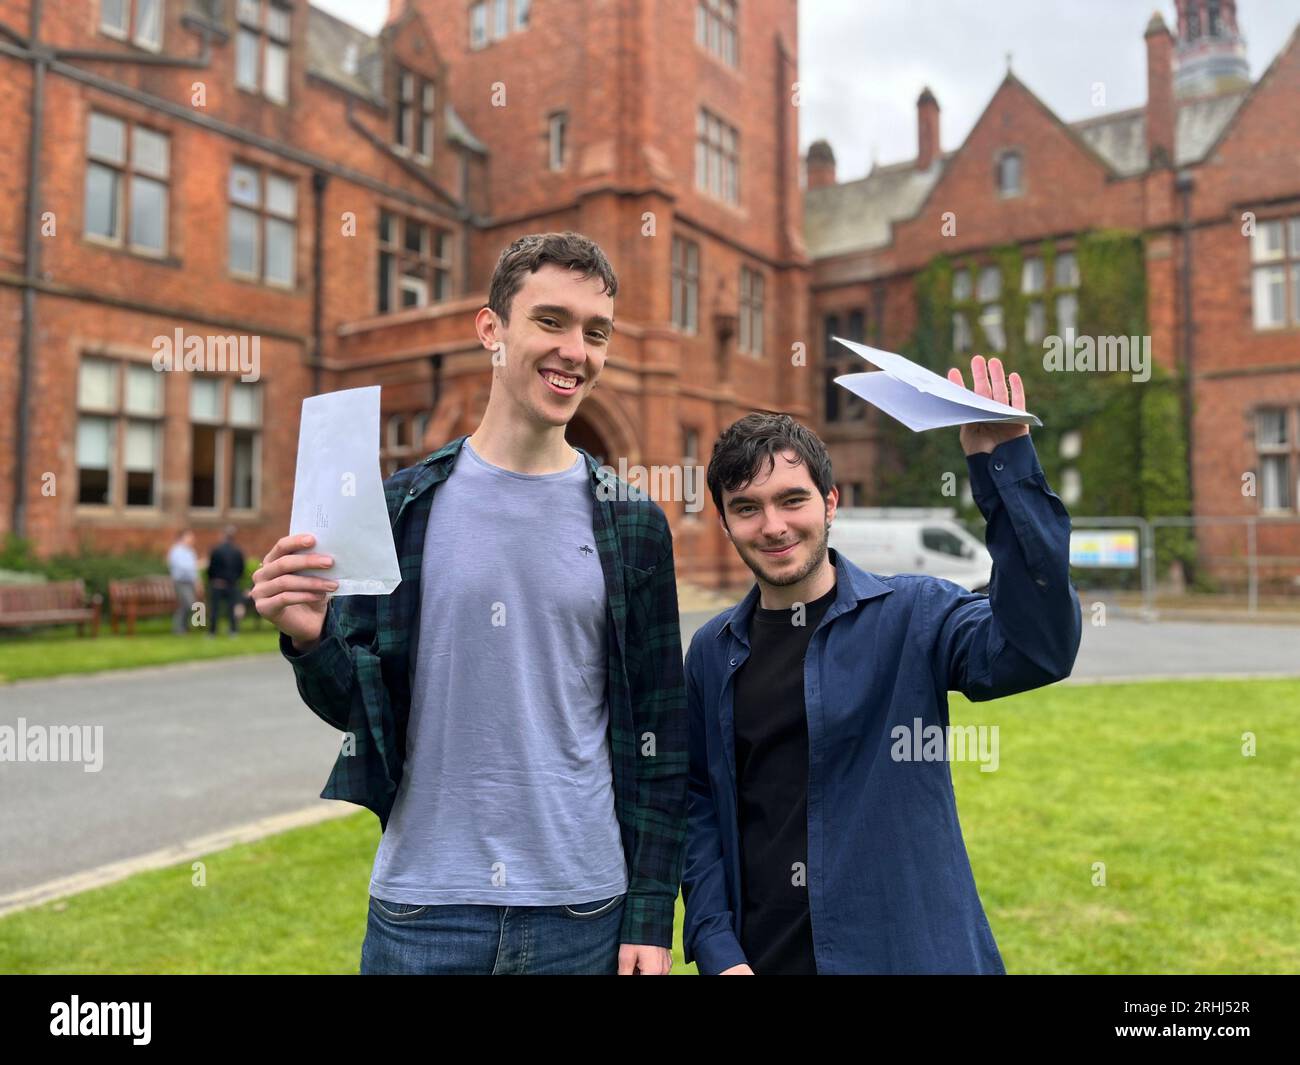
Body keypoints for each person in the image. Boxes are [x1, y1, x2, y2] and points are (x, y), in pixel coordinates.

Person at [251, 232, 687, 975]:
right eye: (550, 321)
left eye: (595, 331)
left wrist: (649, 912)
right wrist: (309, 639)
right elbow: (361, 710)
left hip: (581, 911)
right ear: (492, 329)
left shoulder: (632, 521)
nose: (575, 350)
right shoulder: (403, 507)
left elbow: (660, 734)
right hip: (423, 909)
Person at [682, 356, 1083, 974]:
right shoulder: (713, 650)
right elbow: (699, 804)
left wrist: (1005, 467)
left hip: (906, 952)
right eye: (748, 507)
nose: (775, 526)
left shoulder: (915, 615)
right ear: (725, 521)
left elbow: (1038, 650)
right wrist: (717, 948)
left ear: (831, 502)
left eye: (793, 500)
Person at [206, 525, 246, 637]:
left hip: (217, 583)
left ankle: (212, 631)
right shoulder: (238, 551)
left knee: (214, 609)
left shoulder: (216, 550)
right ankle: (233, 630)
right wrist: (235, 579)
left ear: (223, 536)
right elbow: (241, 568)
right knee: (232, 608)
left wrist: (211, 579)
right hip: (232, 584)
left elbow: (211, 568)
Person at [166, 529, 198, 635]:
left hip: (190, 582)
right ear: (182, 538)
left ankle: (181, 628)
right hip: (181, 582)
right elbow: (184, 567)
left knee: (184, 606)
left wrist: (197, 581)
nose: (192, 539)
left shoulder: (190, 551)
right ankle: (181, 627)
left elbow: (194, 569)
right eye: (189, 537)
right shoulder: (176, 551)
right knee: (190, 604)